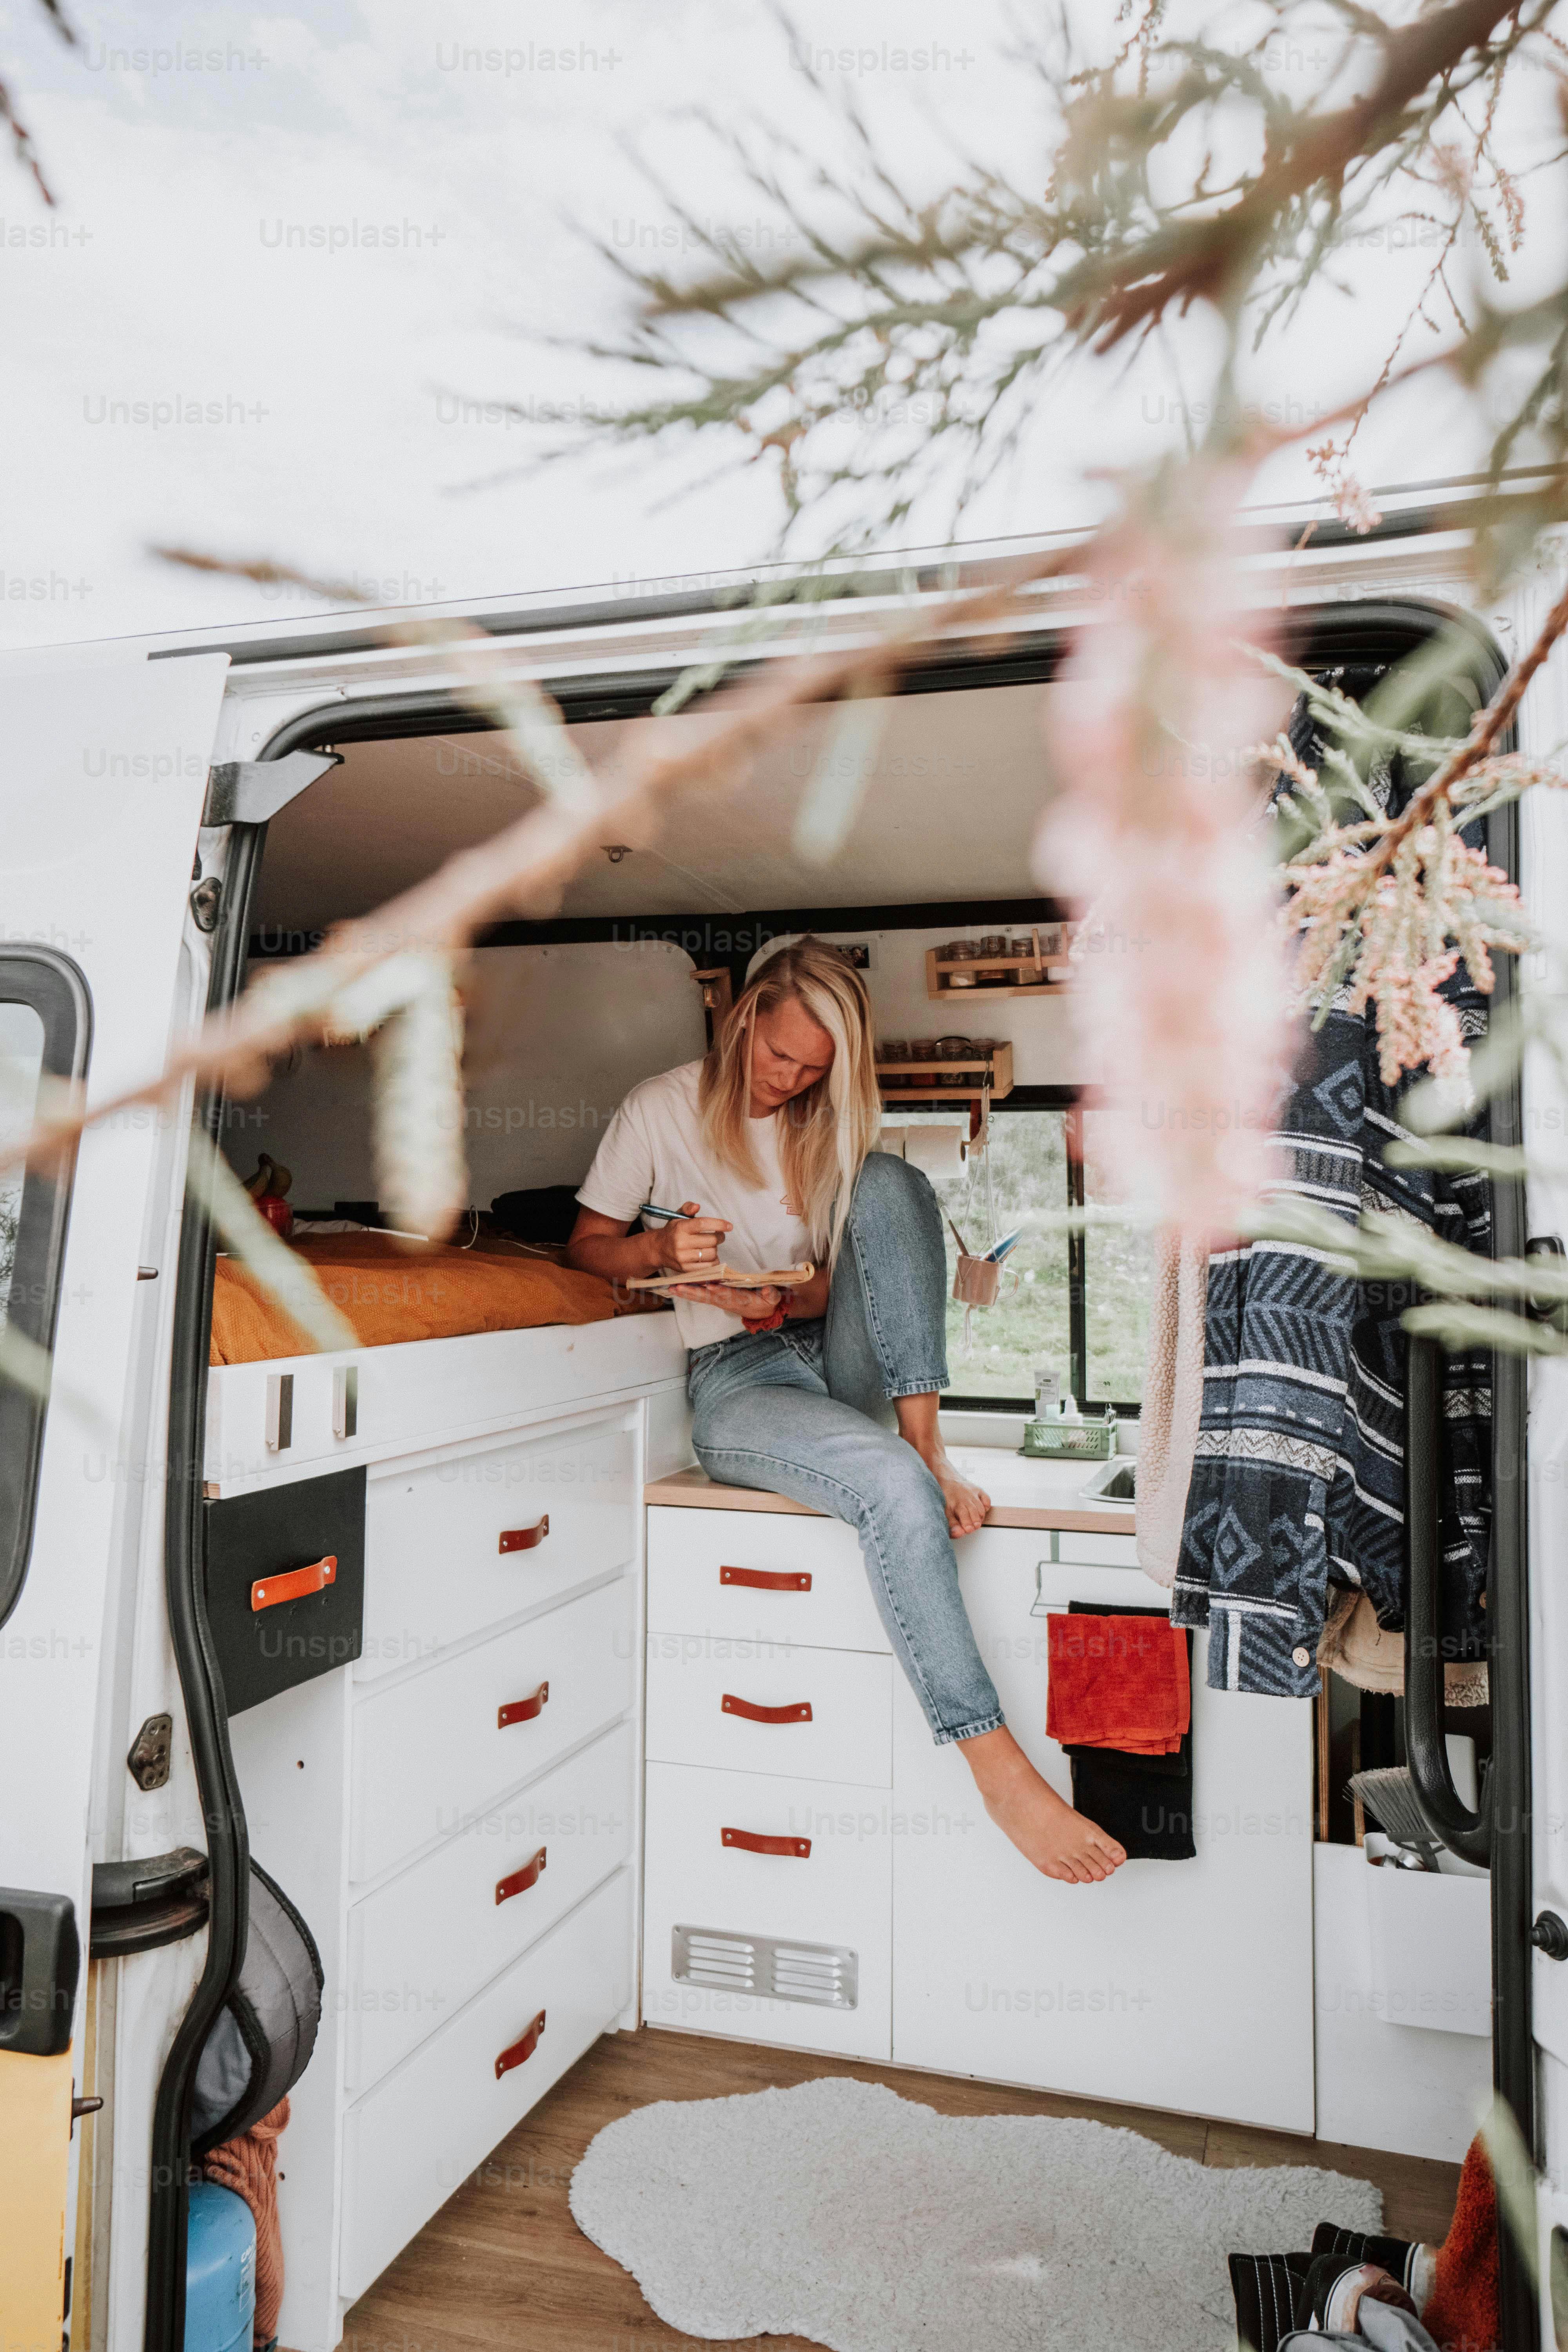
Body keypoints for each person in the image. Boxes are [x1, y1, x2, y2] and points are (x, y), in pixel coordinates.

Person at [567, 935, 1125, 1884]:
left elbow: (844, 1290)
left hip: (828, 1352)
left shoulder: (821, 1122)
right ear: (745, 1019)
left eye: (813, 1070)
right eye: (778, 1056)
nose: (788, 1081)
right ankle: (997, 1771)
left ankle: (926, 1445)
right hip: (742, 1380)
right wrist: (667, 1259)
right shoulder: (658, 1109)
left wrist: (778, 1298)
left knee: (891, 1182)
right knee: (892, 1493)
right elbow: (584, 1250)